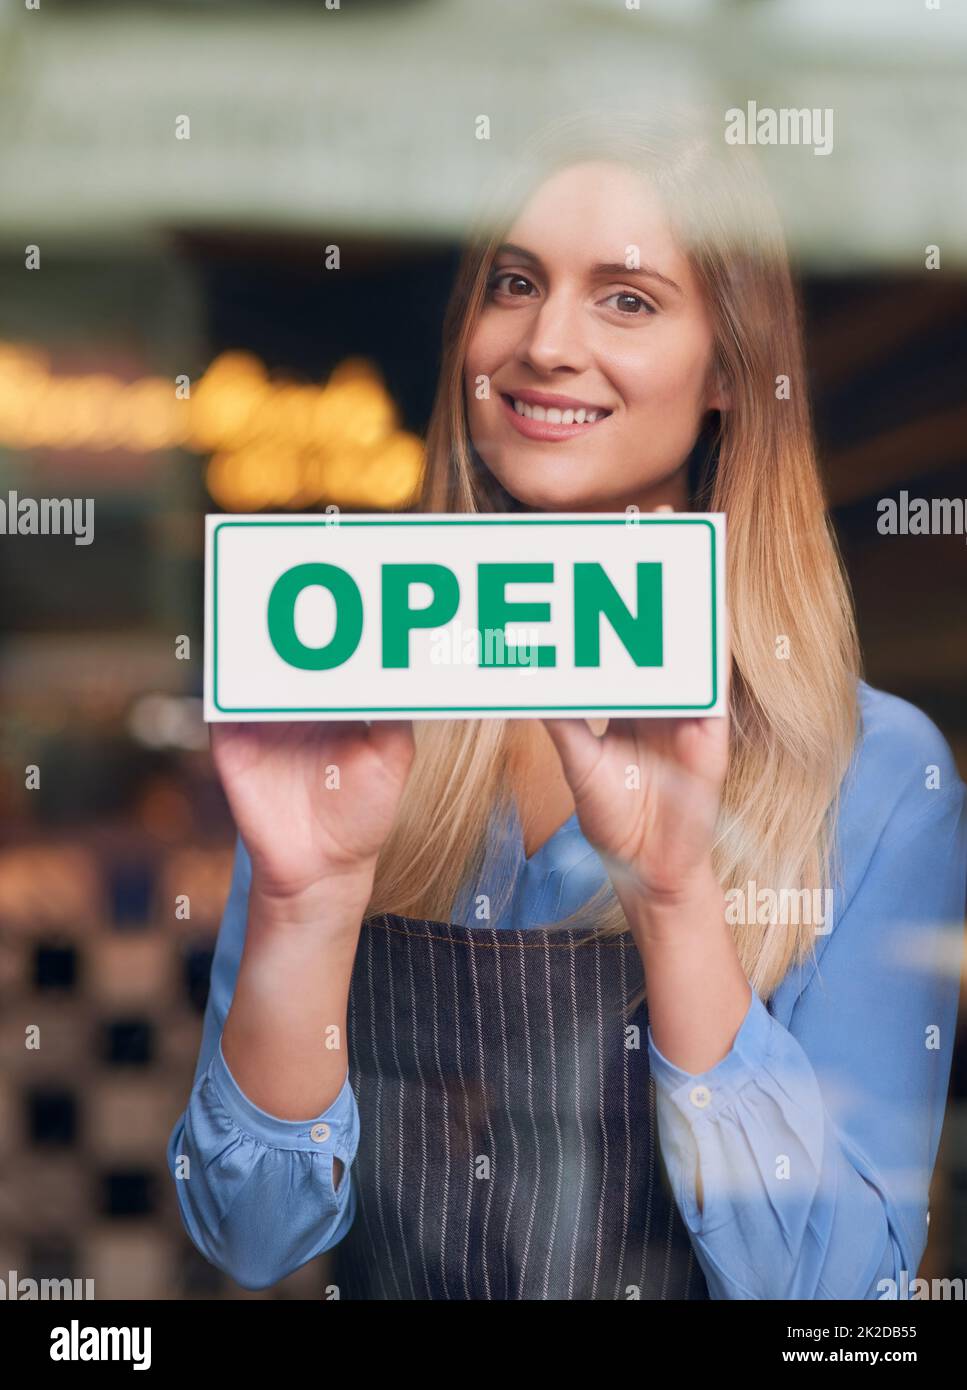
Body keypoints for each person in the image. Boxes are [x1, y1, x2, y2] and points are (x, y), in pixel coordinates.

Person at [167, 108, 967, 1300]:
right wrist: (306, 899)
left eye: (627, 299)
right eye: (514, 283)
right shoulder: (341, 716)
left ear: (732, 375)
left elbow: (843, 1300)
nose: (545, 342)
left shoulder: (877, 774)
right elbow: (248, 1230)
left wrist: (679, 897)